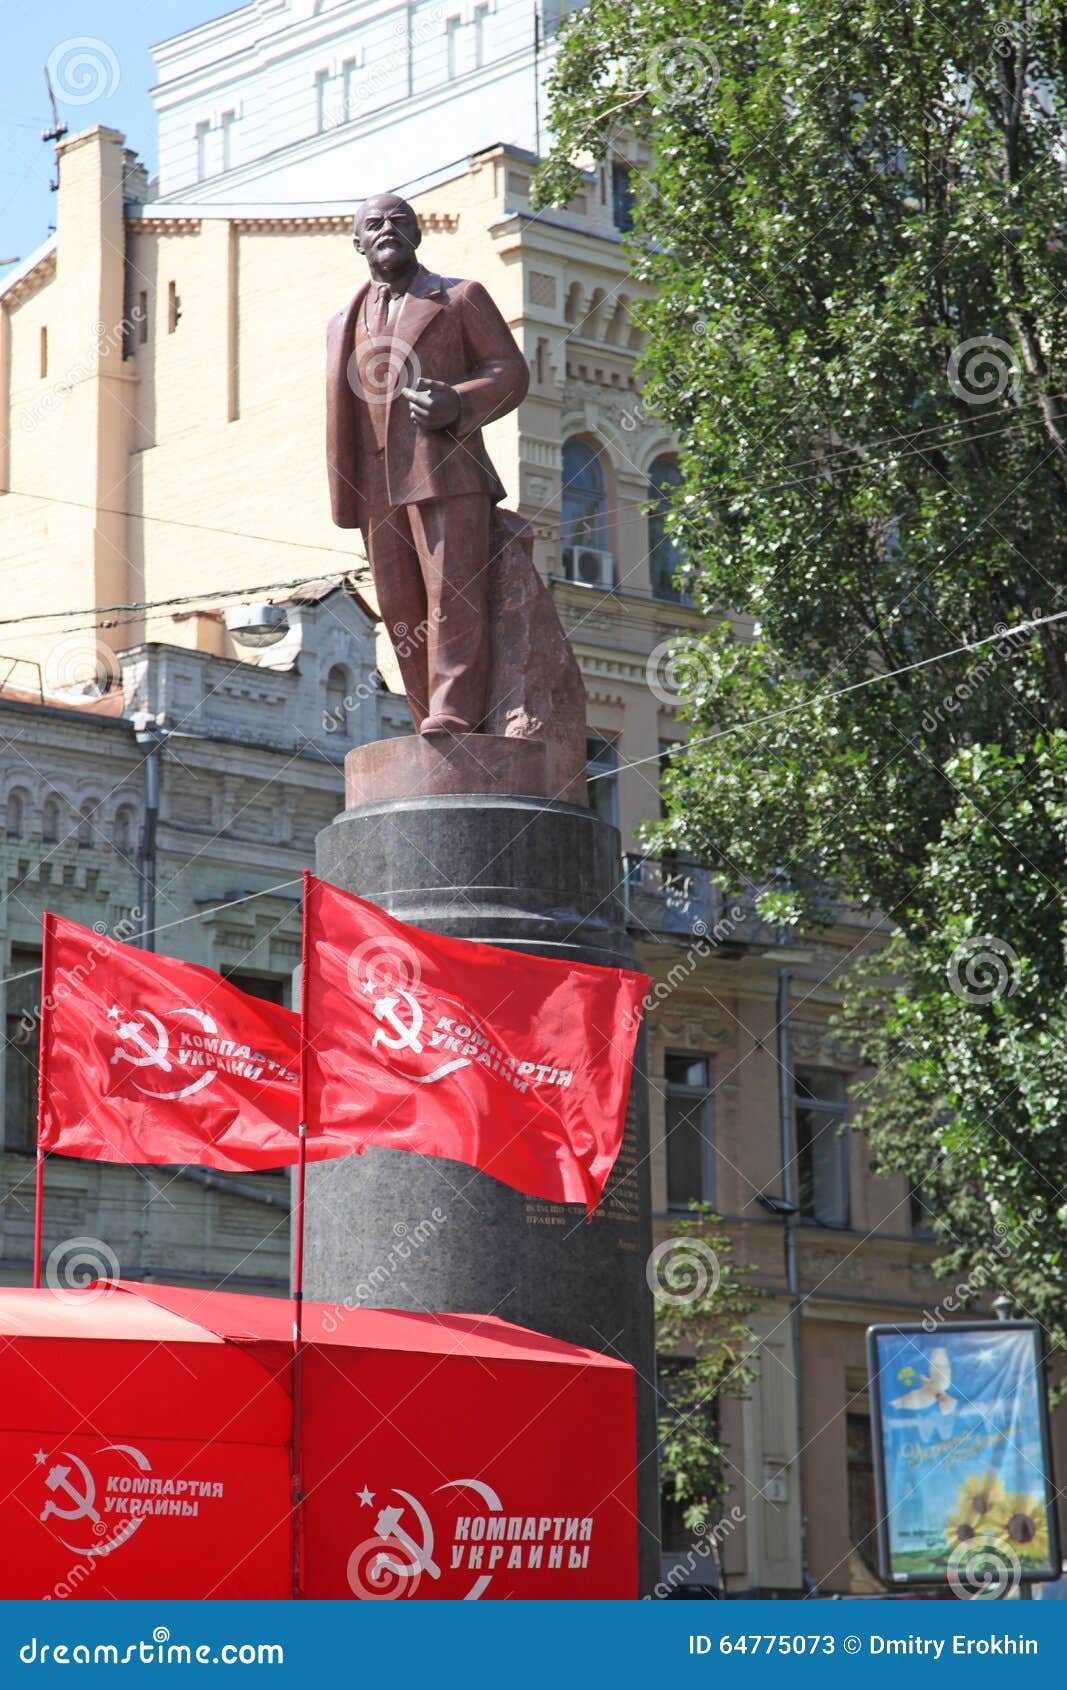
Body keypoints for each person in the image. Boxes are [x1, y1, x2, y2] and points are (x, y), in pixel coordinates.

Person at [326, 193, 529, 734]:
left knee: (453, 596)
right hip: (373, 484)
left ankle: (455, 711)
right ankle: (425, 718)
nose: (387, 228)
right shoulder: (340, 322)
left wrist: (459, 402)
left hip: (445, 470)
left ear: (417, 235)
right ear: (357, 242)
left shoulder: (460, 298)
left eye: (400, 221)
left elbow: (510, 372)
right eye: (374, 223)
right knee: (400, 609)